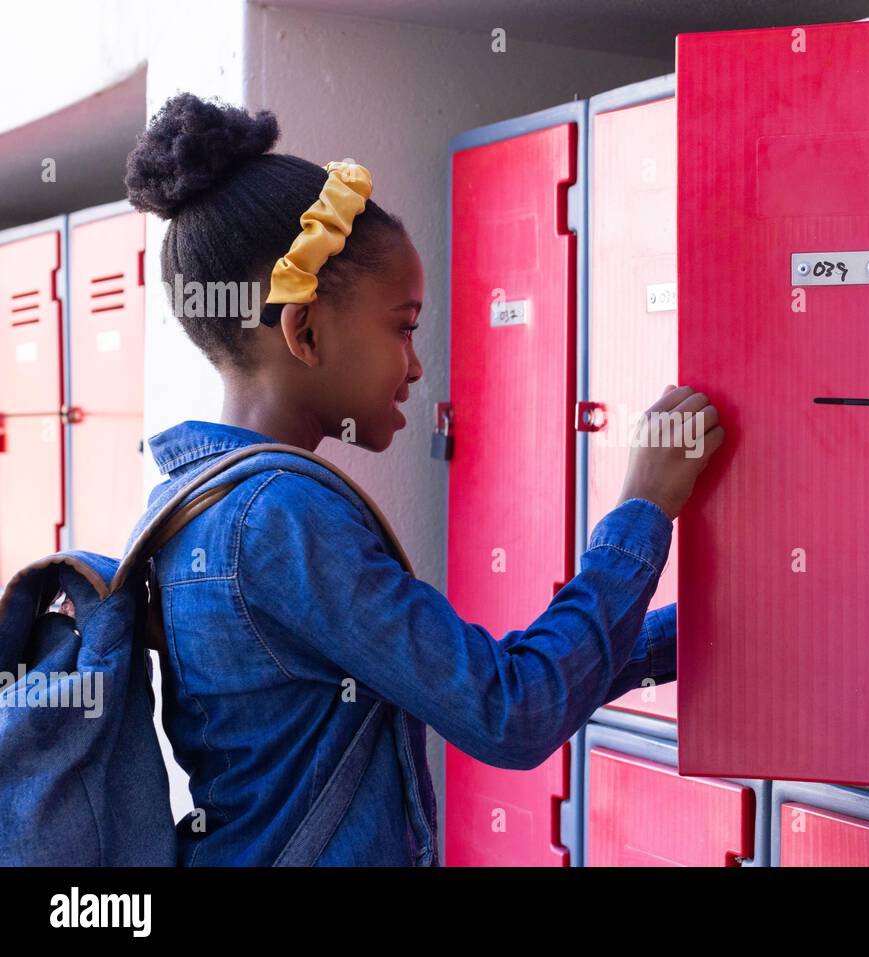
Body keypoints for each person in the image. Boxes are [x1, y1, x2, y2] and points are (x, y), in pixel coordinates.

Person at [123, 92, 724, 865]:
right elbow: (512, 710)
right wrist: (644, 507)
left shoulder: (198, 499)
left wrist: (702, 632)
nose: (415, 367)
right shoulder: (283, 518)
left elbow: (481, 681)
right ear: (304, 330)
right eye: (402, 328)